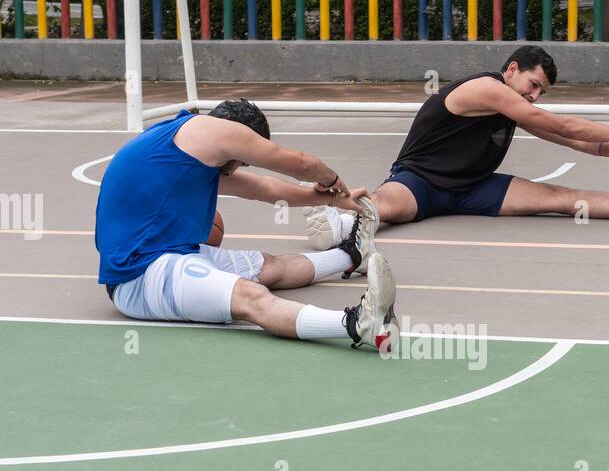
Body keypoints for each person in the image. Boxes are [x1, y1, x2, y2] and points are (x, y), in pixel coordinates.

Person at [305, 44, 609, 252]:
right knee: (390, 207)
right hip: (420, 181)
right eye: (533, 84)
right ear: (511, 69)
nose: (535, 95)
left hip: (474, 186)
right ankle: (340, 225)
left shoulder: (517, 103)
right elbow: (558, 124)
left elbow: (573, 140)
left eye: (541, 91)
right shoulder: (488, 89)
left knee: (562, 198)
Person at [94, 98, 397, 351]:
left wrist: (332, 201)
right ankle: (359, 325)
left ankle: (353, 255)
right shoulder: (217, 134)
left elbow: (262, 189)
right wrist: (333, 181)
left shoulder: (189, 145)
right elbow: (301, 163)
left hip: (170, 253)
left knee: (270, 266)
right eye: (244, 157)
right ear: (241, 136)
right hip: (138, 276)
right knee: (250, 297)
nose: (243, 165)